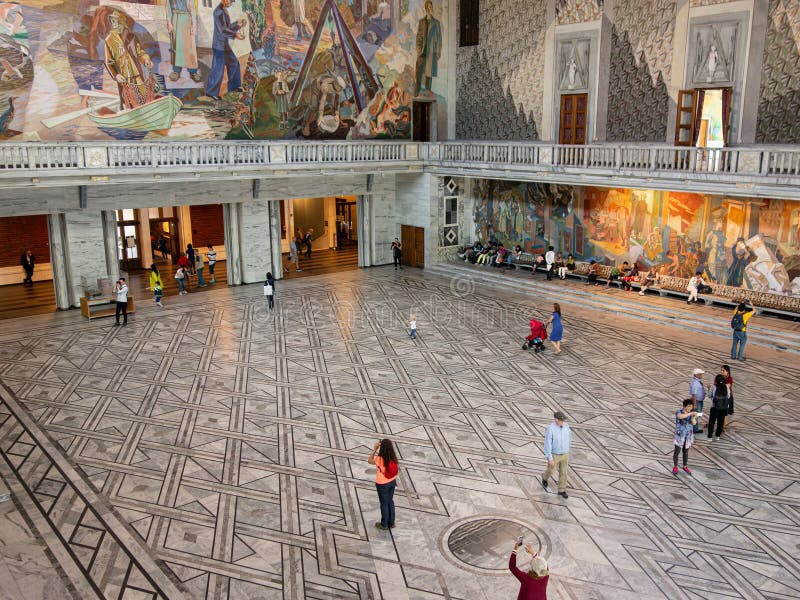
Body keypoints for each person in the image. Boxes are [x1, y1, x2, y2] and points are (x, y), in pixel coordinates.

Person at [104, 11, 153, 110]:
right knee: (127, 100)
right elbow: (108, 62)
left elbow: (140, 53)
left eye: (115, 21)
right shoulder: (109, 40)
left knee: (143, 95)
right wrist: (116, 75)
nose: (113, 24)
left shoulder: (132, 36)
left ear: (122, 21)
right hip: (123, 76)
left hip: (137, 72)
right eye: (112, 21)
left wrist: (146, 60)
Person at [207, 0, 246, 100]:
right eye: (229, 0)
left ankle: (234, 87)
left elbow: (227, 27)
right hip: (219, 46)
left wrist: (238, 24)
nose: (230, 3)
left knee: (234, 63)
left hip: (225, 46)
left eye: (232, 1)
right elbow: (223, 30)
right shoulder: (218, 12)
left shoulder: (224, 10)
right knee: (218, 69)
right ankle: (211, 92)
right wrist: (235, 35)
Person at [166, 0, 200, 82]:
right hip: (175, 19)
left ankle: (193, 71)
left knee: (190, 47)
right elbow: (168, 8)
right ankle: (176, 71)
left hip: (186, 19)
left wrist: (194, 24)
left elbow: (192, 9)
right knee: (176, 47)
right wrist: (169, 22)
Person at [368, 438, 398, 530]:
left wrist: (375, 449)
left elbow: (369, 460)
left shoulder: (380, 459)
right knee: (390, 501)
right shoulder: (393, 457)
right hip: (392, 482)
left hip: (382, 484)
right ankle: (391, 523)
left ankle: (384, 524)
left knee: (384, 503)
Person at [415, 0, 442, 96]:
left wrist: (438, 52)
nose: (430, 8)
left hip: (431, 51)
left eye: (431, 7)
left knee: (429, 72)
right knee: (418, 72)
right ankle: (417, 91)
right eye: (429, 7)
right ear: (426, 8)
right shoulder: (422, 22)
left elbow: (439, 39)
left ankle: (428, 90)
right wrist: (418, 48)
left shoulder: (436, 23)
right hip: (422, 51)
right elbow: (419, 36)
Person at [542, 411, 571, 499]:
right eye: (561, 420)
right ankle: (545, 477)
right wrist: (549, 457)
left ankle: (561, 490)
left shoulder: (566, 427)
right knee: (551, 470)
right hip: (555, 454)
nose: (562, 422)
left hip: (565, 454)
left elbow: (569, 438)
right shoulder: (550, 429)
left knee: (564, 472)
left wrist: (567, 449)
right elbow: (548, 444)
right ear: (556, 420)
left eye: (563, 420)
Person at [673, 399, 699, 475]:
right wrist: (690, 414)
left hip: (688, 436)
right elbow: (680, 416)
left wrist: (693, 418)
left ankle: (685, 466)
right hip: (679, 436)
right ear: (684, 406)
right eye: (689, 406)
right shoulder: (679, 412)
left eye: (691, 406)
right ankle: (675, 466)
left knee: (686, 452)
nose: (690, 408)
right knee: (677, 451)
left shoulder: (691, 413)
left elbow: (694, 423)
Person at [707, 373, 731, 441]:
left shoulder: (713, 387)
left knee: (712, 422)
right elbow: (728, 396)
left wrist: (708, 389)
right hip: (724, 408)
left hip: (714, 407)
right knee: (720, 422)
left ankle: (710, 436)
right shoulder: (726, 386)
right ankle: (717, 436)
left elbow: (709, 395)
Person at [689, 368, 705, 434]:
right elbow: (694, 394)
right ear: (696, 375)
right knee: (696, 415)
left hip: (699, 401)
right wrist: (695, 404)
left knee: (697, 414)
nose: (701, 375)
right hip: (697, 402)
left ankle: (693, 427)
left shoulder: (697, 381)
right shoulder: (695, 383)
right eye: (700, 374)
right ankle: (695, 429)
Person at [721, 364, 734, 432]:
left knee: (725, 412)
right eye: (721, 370)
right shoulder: (719, 377)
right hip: (720, 397)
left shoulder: (729, 379)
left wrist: (719, 385)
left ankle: (723, 426)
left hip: (727, 397)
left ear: (727, 371)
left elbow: (727, 386)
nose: (722, 372)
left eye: (723, 370)